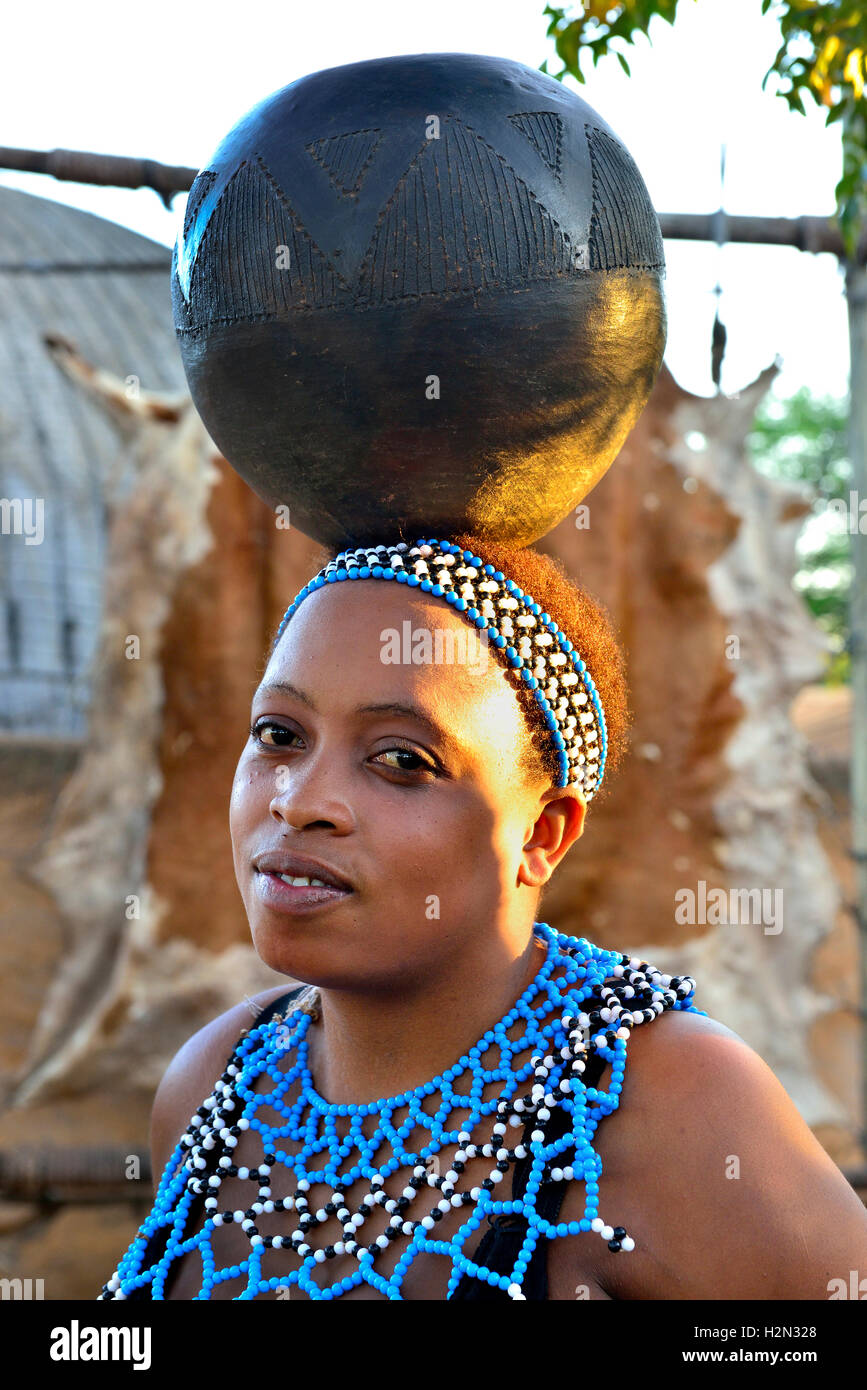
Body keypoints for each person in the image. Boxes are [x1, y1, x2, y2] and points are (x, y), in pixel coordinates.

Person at [99, 533, 867, 1301]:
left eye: (401, 759)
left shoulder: (656, 1101)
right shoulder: (217, 1083)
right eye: (280, 735)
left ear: (539, 835)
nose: (297, 800)